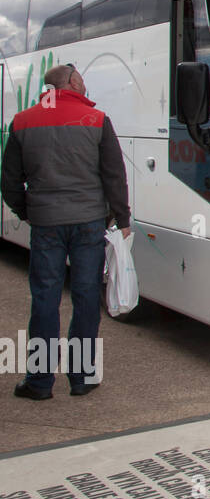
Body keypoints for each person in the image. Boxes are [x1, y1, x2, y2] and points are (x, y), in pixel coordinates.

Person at [1, 64, 131, 399]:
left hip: (46, 225)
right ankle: (82, 377)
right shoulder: (98, 120)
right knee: (86, 297)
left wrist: (28, 211)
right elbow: (113, 175)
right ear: (71, 82)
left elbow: (9, 181)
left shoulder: (22, 121)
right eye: (82, 80)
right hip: (89, 222)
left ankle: (40, 382)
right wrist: (122, 217)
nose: (85, 85)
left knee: (45, 298)